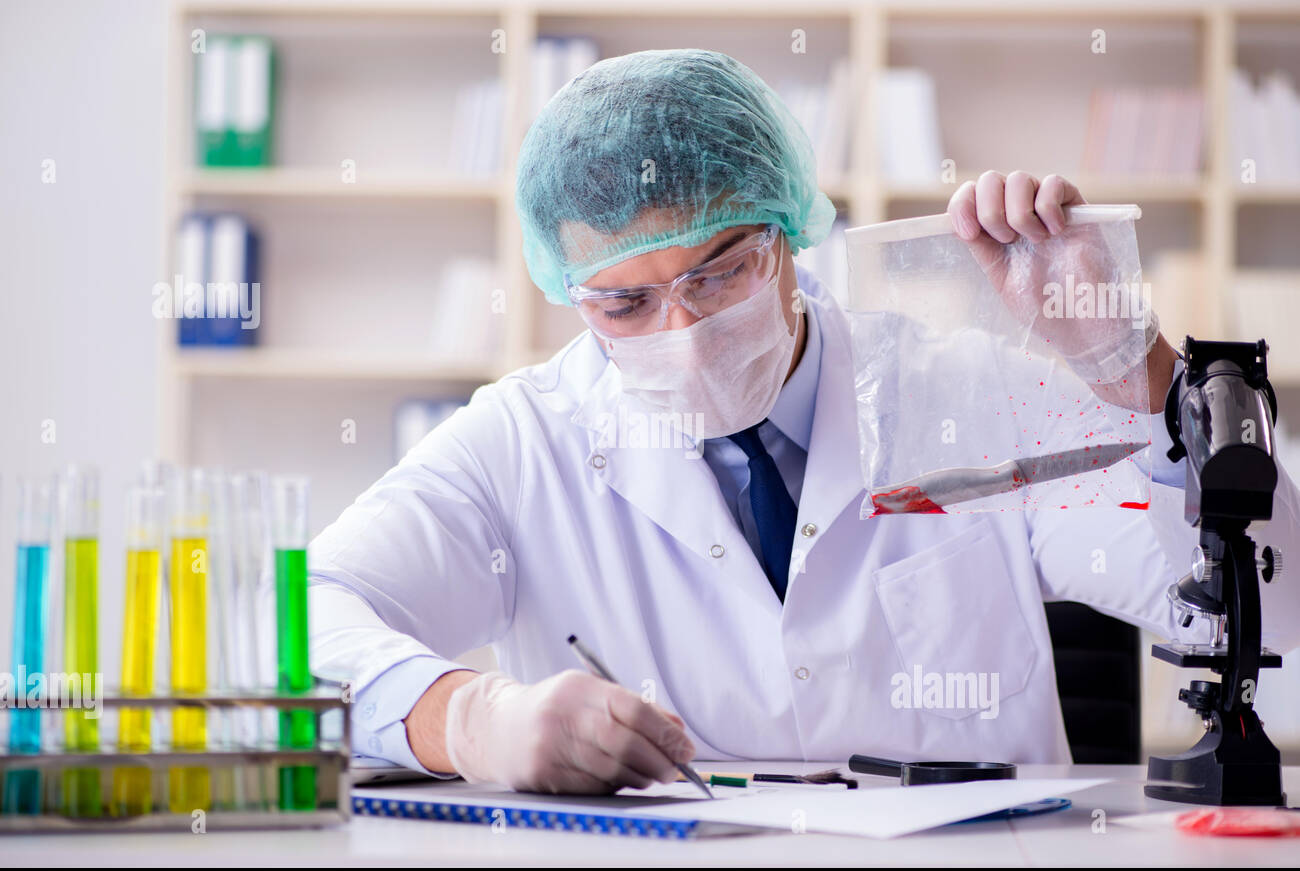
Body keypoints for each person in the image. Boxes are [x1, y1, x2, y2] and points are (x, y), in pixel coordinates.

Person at [308, 49, 1300, 795]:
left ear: (787, 235)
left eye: (720, 269)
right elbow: (302, 623)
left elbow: (1278, 607)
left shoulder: (967, 394)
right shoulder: (521, 443)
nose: (684, 328)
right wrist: (466, 718)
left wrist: (1133, 367)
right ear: (570, 294)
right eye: (625, 303)